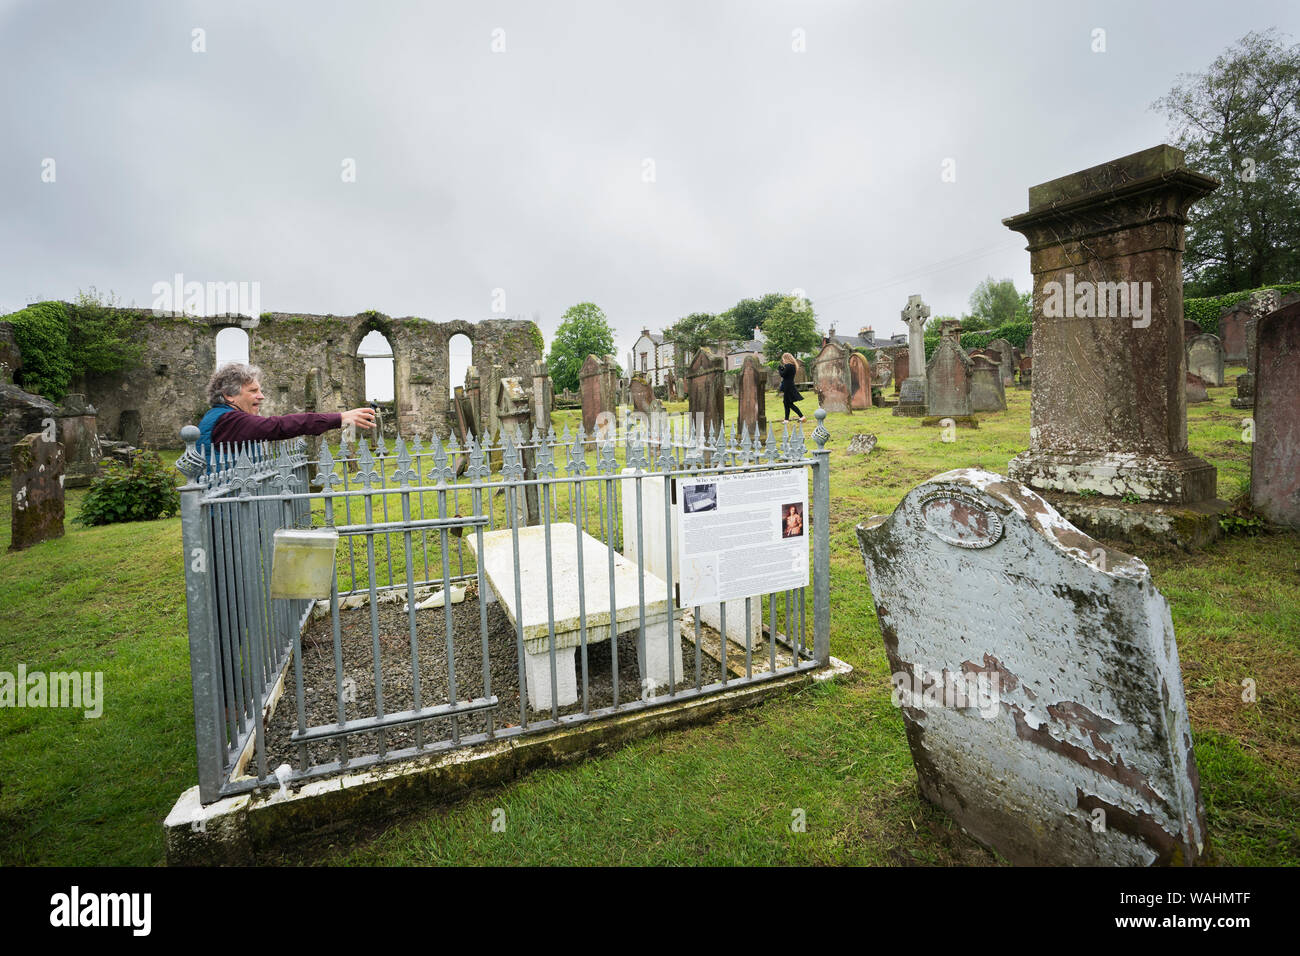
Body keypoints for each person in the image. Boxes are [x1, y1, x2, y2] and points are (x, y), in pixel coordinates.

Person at [196, 362, 376, 458]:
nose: (261, 396)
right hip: (224, 517)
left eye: (260, 390)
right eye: (253, 391)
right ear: (229, 395)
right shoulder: (228, 421)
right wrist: (339, 417)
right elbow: (279, 426)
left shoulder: (220, 417)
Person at [778, 352, 805, 422]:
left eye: (783, 359)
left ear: (786, 359)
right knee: (786, 402)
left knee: (789, 403)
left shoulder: (788, 365)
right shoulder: (793, 366)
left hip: (788, 386)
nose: (783, 361)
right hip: (789, 385)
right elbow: (786, 375)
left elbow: (783, 375)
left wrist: (779, 369)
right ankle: (786, 419)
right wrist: (782, 369)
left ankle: (802, 416)